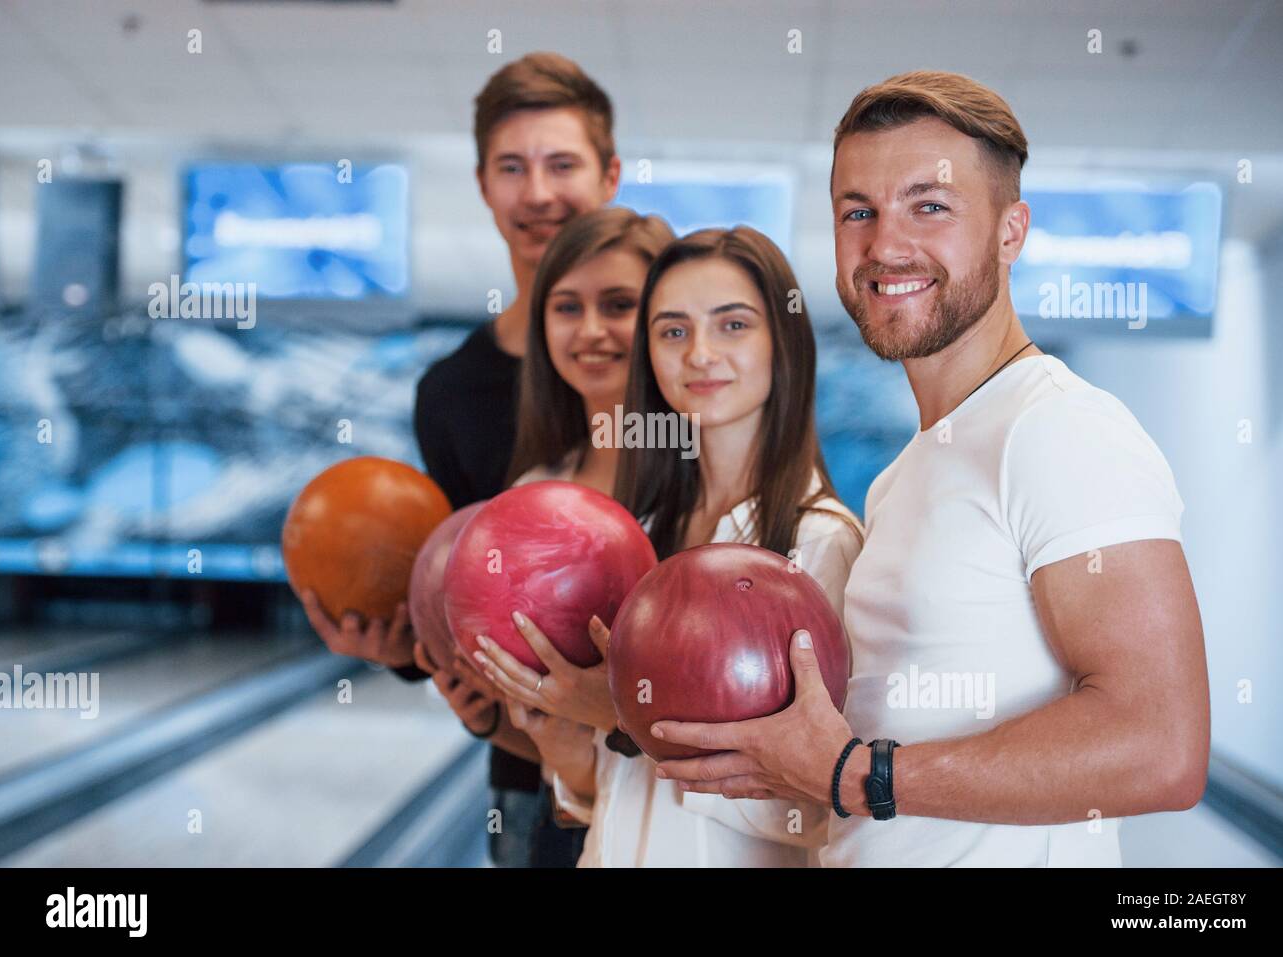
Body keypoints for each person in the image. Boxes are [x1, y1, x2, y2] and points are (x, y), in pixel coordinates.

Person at [651, 71, 1210, 867]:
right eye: (858, 212)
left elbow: (1160, 744)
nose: (885, 245)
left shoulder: (1060, 428)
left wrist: (858, 775)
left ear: (1011, 231)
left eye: (930, 205)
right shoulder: (901, 478)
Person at [300, 52, 622, 868]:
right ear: (483, 185)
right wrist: (402, 648)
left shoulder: (669, 362)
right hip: (524, 765)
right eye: (512, 167)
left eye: (562, 164)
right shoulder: (453, 390)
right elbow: (446, 593)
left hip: (663, 760)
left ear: (610, 175)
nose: (538, 191)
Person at [479, 227, 865, 866]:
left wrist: (627, 722)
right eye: (673, 331)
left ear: (784, 345)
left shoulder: (818, 543)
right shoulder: (640, 532)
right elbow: (611, 789)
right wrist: (569, 750)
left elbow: (829, 809)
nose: (700, 354)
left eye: (733, 326)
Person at [448, 206, 674, 861]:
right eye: (567, 307)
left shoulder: (710, 481)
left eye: (619, 304)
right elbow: (555, 727)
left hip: (688, 828)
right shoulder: (533, 488)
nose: (592, 330)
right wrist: (493, 712)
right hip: (572, 815)